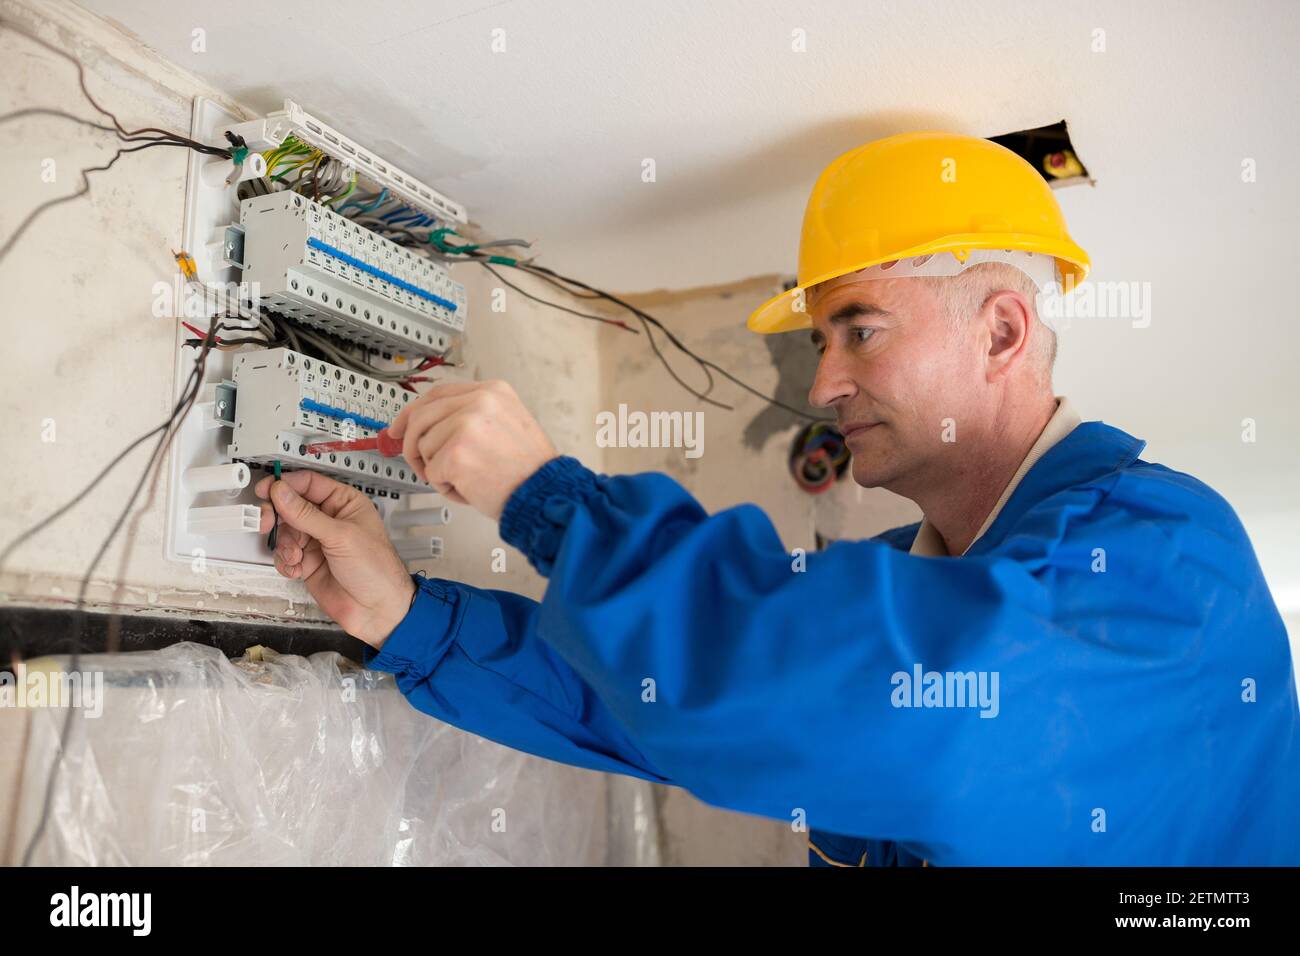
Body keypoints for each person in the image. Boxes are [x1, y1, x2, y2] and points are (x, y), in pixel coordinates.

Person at [255, 132, 1299, 865]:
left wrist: (546, 498)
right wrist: (406, 616)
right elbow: (659, 706)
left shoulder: (1167, 557)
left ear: (1000, 333)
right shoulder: (901, 575)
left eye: (859, 327)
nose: (825, 385)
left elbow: (886, 708)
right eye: (819, 342)